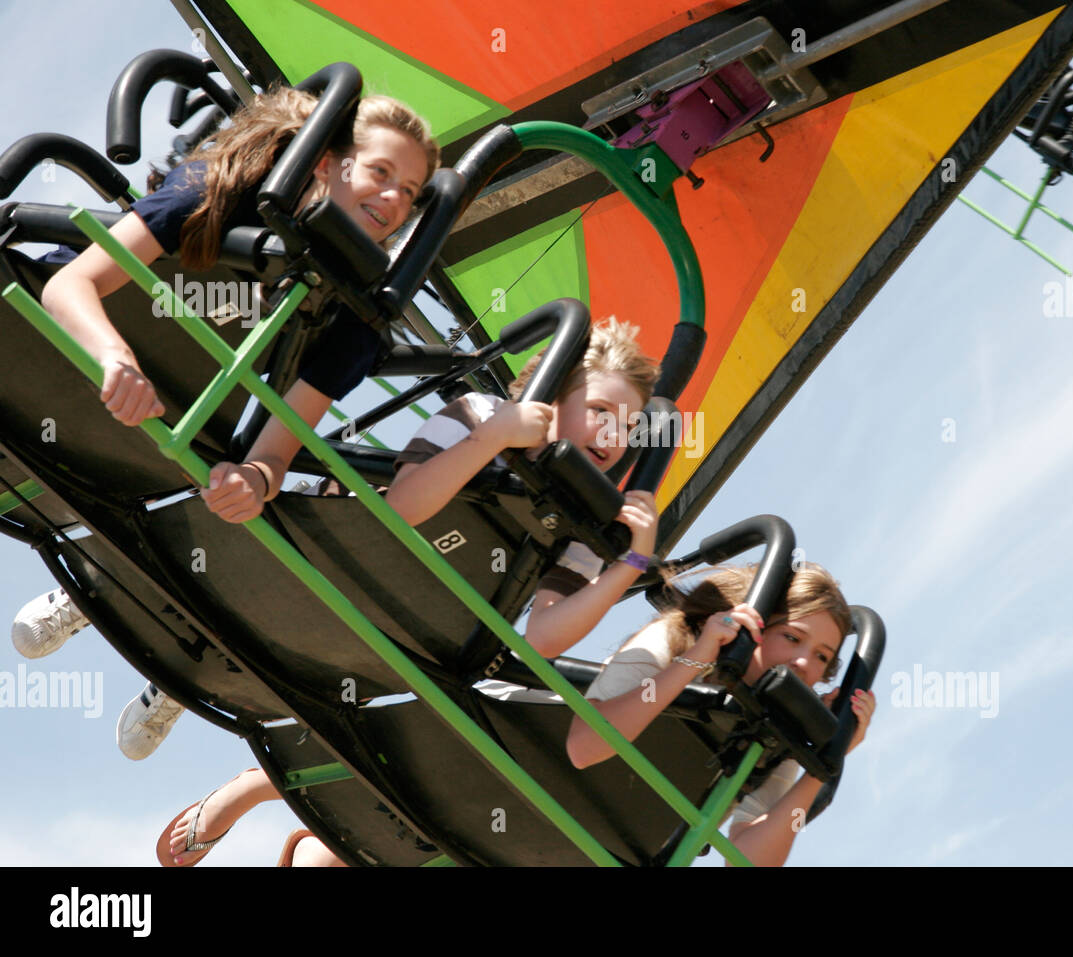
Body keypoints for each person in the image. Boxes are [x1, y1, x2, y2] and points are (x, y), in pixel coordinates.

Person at [10, 84, 440, 758]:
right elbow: (71, 284)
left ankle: (113, 593)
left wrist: (255, 480)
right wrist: (114, 357)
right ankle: (96, 574)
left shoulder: (355, 317)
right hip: (62, 345)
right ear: (329, 163)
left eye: (409, 192)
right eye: (380, 172)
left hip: (161, 419)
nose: (391, 198)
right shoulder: (216, 190)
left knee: (249, 504)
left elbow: (275, 450)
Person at [157, 318, 664, 865]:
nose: (613, 436)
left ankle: (269, 788)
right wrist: (494, 439)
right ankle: (166, 670)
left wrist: (628, 564)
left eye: (628, 428)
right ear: (553, 398)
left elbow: (542, 638)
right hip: (337, 556)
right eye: (600, 414)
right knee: (232, 580)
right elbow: (403, 511)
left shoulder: (586, 522)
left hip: (412, 632)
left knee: (436, 737)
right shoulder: (482, 414)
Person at [566, 563, 876, 867]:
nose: (803, 663)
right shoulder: (675, 636)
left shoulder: (774, 738)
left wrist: (823, 762)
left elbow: (749, 861)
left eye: (821, 657)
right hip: (539, 759)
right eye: (792, 638)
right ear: (755, 621)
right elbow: (584, 748)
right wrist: (697, 657)